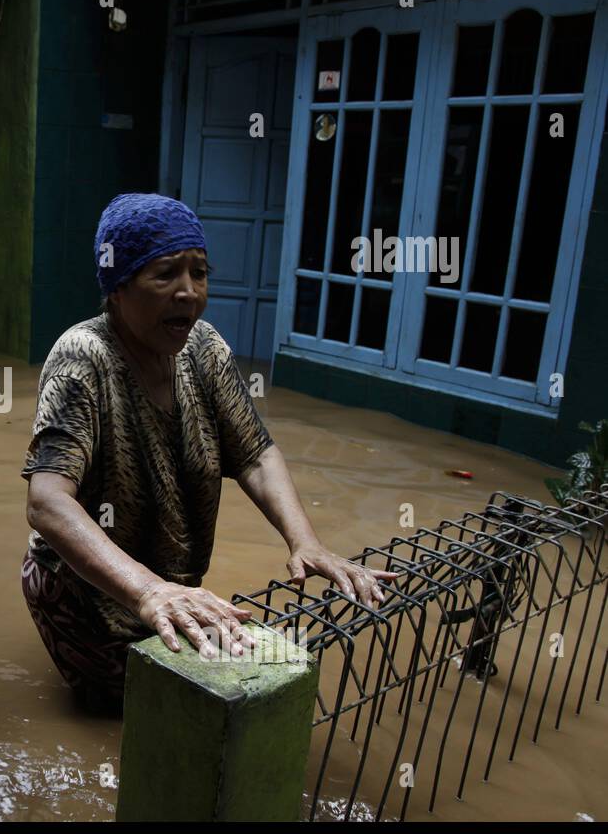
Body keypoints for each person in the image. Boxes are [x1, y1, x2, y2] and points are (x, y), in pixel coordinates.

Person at [21, 193, 397, 715]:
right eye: (166, 275)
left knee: (193, 700)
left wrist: (306, 541)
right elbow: (46, 502)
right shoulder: (82, 359)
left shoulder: (204, 348)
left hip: (167, 584)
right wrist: (149, 591)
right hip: (85, 592)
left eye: (199, 273)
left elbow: (256, 456)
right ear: (118, 287)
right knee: (129, 721)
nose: (189, 293)